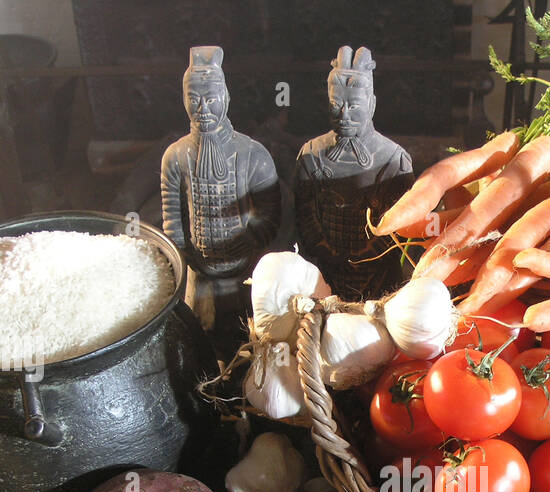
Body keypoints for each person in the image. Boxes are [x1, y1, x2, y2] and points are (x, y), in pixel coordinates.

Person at [162, 46, 281, 333]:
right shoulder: (176, 156)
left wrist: (250, 239)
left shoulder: (253, 153)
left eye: (210, 99)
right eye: (193, 99)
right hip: (199, 275)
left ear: (226, 98)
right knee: (199, 340)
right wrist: (185, 255)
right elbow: (172, 216)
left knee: (253, 339)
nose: (202, 108)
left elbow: (270, 211)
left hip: (247, 273)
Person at [294, 46, 412, 300]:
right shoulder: (311, 155)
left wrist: (365, 255)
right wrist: (329, 252)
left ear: (372, 104)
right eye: (336, 104)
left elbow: (400, 227)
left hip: (380, 280)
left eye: (354, 105)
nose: (344, 114)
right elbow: (305, 217)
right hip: (326, 276)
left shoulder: (394, 160)